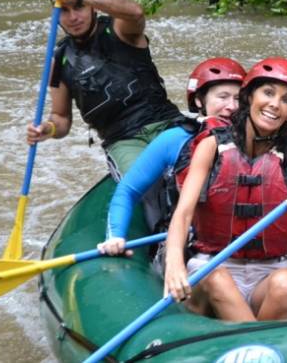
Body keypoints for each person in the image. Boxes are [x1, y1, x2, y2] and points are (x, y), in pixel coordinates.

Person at [164, 57, 287, 322]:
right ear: (249, 97)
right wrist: (173, 262)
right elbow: (183, 214)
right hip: (213, 264)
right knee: (215, 276)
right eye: (268, 93)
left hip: (271, 271)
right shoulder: (212, 146)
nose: (275, 104)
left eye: (286, 100)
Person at [26, 0, 181, 179]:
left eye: (79, 7)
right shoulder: (59, 60)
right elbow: (61, 118)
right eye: (64, 10)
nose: (73, 17)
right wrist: (48, 128)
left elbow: (136, 12)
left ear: (92, 6)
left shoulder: (119, 29)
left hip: (165, 123)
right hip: (123, 140)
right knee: (144, 182)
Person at [98, 57, 246, 256]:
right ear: (199, 100)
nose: (232, 106)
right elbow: (128, 190)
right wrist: (115, 236)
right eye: (223, 97)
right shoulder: (176, 138)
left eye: (238, 99)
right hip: (188, 243)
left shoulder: (259, 140)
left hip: (244, 240)